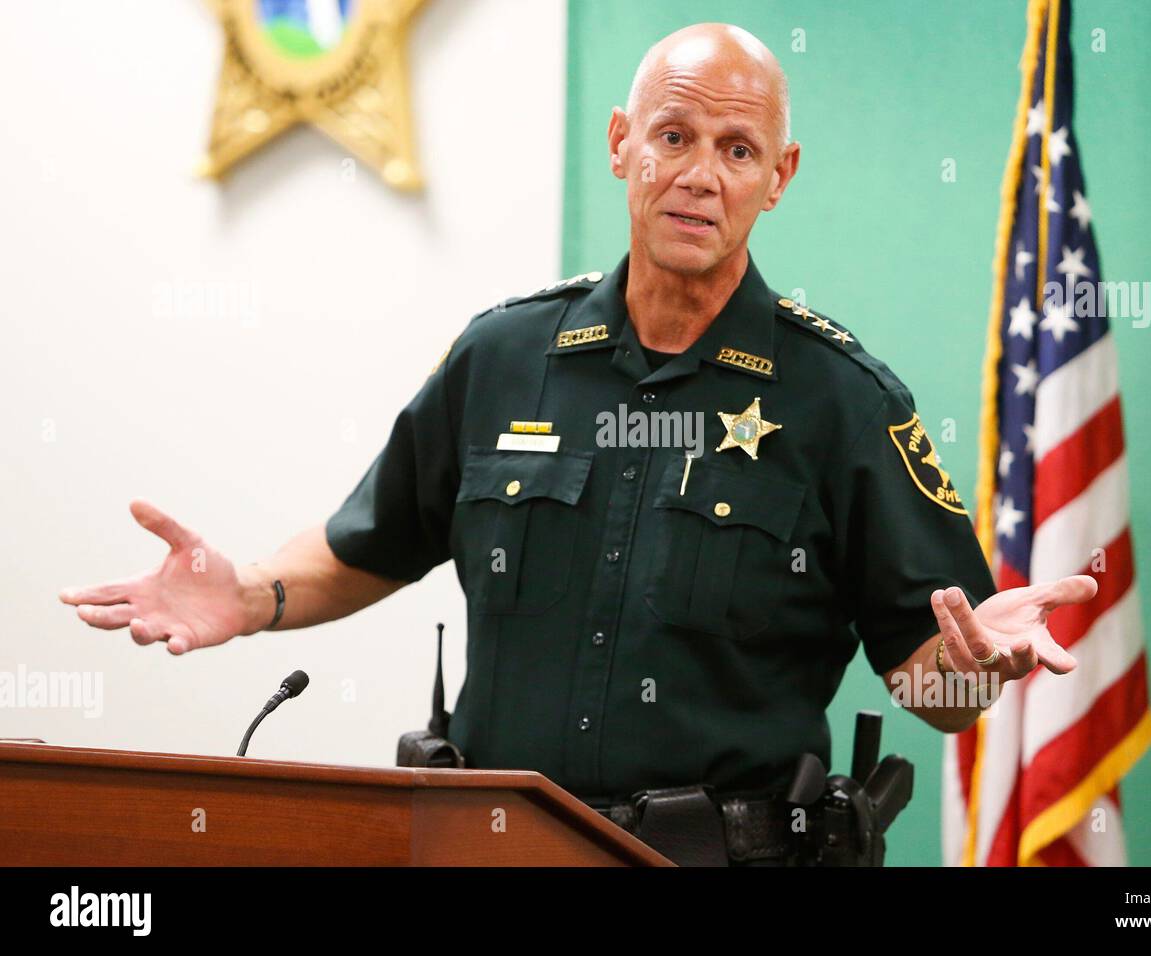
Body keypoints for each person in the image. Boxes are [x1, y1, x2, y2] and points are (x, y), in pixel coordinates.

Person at [58, 23, 1096, 865]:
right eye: (673, 136)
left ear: (777, 177)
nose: (699, 174)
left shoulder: (840, 401)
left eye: (737, 151)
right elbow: (366, 542)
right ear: (620, 143)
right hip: (490, 853)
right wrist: (244, 595)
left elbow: (934, 686)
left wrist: (976, 673)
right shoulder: (502, 356)